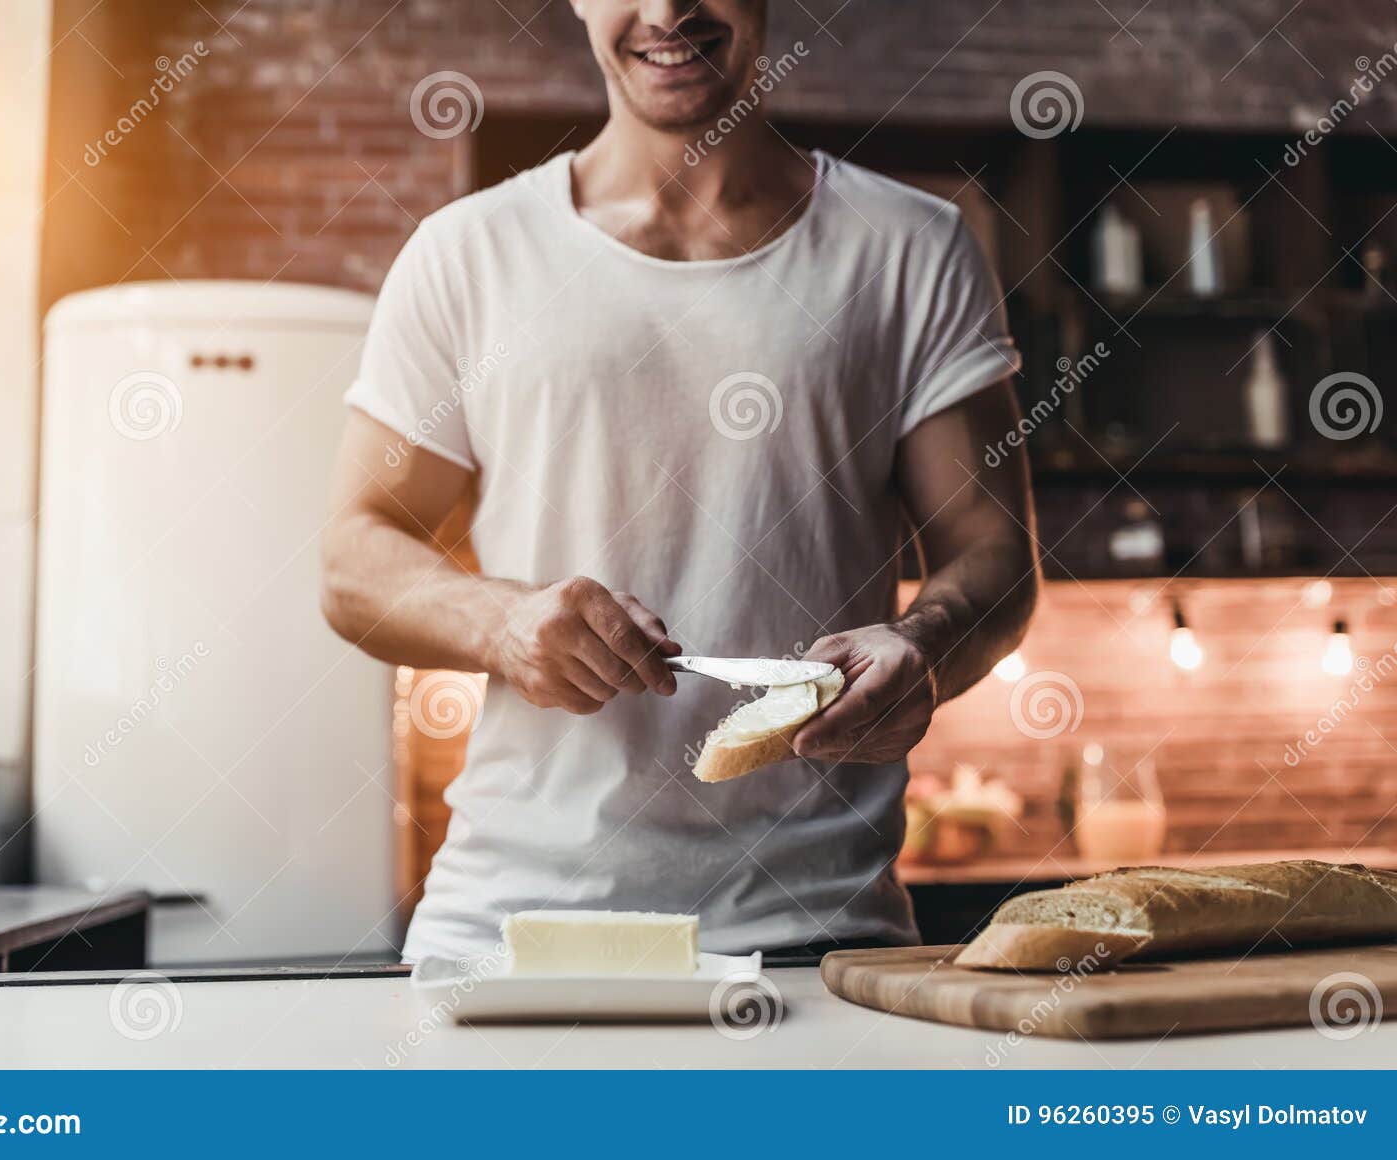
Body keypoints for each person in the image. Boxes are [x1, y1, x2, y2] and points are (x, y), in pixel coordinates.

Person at [321, 0, 1038, 962]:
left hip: (816, 935)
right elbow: (354, 560)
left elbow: (993, 551)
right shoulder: (467, 254)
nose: (668, 12)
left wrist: (926, 645)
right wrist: (503, 622)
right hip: (514, 935)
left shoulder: (911, 247)